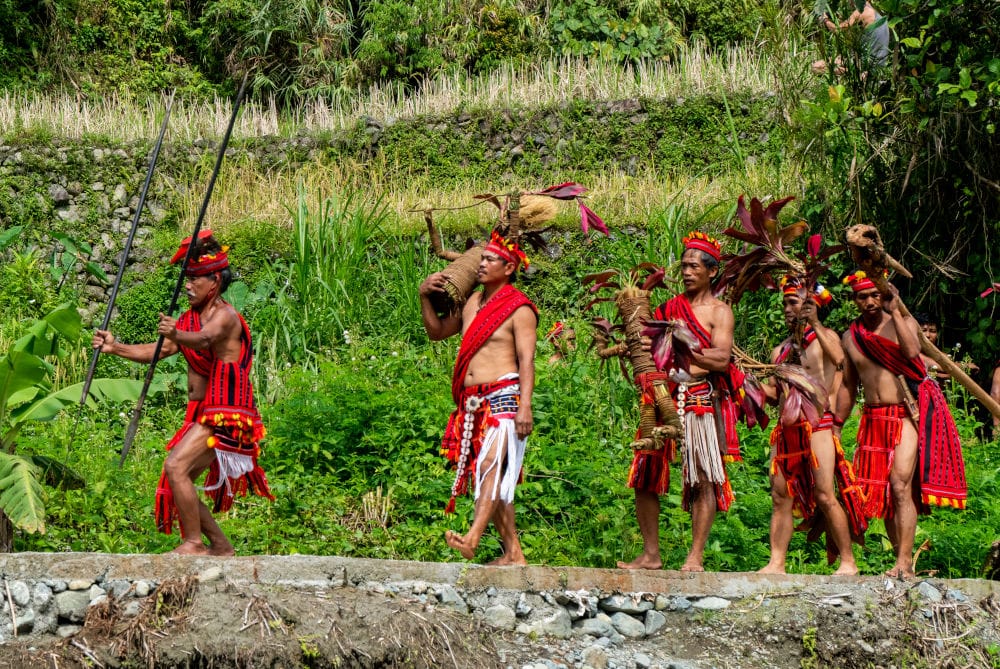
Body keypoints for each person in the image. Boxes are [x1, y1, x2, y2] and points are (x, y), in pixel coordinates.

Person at [92, 230, 273, 555]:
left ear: (214, 281)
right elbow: (158, 350)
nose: (188, 285)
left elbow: (205, 339)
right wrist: (115, 347)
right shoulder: (190, 320)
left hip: (225, 414)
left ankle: (193, 543)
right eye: (186, 279)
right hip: (203, 412)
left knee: (176, 468)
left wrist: (177, 331)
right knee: (179, 474)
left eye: (195, 279)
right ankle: (219, 545)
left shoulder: (225, 317)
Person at [618, 231, 742, 572]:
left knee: (703, 477)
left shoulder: (720, 312)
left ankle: (695, 557)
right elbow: (648, 351)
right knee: (645, 473)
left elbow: (721, 360)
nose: (687, 272)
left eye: (694, 266)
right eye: (684, 266)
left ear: (711, 271)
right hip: (662, 396)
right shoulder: (667, 310)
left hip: (699, 396)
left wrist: (681, 351)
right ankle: (651, 555)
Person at [835, 270, 966, 578]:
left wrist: (896, 311)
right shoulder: (850, 337)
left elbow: (911, 353)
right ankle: (899, 560)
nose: (869, 302)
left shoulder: (903, 323)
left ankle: (905, 562)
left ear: (884, 295)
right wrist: (837, 423)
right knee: (881, 493)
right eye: (861, 297)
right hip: (872, 418)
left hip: (904, 414)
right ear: (853, 300)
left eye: (874, 295)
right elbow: (848, 386)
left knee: (899, 485)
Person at [420, 230, 538, 565]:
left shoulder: (520, 309)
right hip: (472, 403)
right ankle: (514, 554)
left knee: (489, 467)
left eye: (489, 259)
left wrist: (525, 406)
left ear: (509, 266)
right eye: (482, 258)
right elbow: (437, 332)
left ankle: (472, 537)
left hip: (504, 397)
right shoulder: (472, 301)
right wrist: (424, 297)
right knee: (491, 477)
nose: (481, 264)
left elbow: (527, 361)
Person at [758, 277, 866, 576]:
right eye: (785, 303)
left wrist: (815, 322)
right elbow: (772, 394)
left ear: (810, 305)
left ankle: (848, 561)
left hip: (818, 425)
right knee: (780, 496)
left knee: (824, 494)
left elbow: (842, 361)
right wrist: (741, 381)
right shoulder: (780, 351)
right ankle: (776, 562)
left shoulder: (825, 338)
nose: (787, 309)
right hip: (787, 430)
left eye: (793, 302)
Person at [811, 1, 890, 74]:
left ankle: (851, 73)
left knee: (816, 67)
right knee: (835, 60)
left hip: (867, 65)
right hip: (879, 65)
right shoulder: (875, 13)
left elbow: (837, 30)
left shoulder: (861, 11)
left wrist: (824, 19)